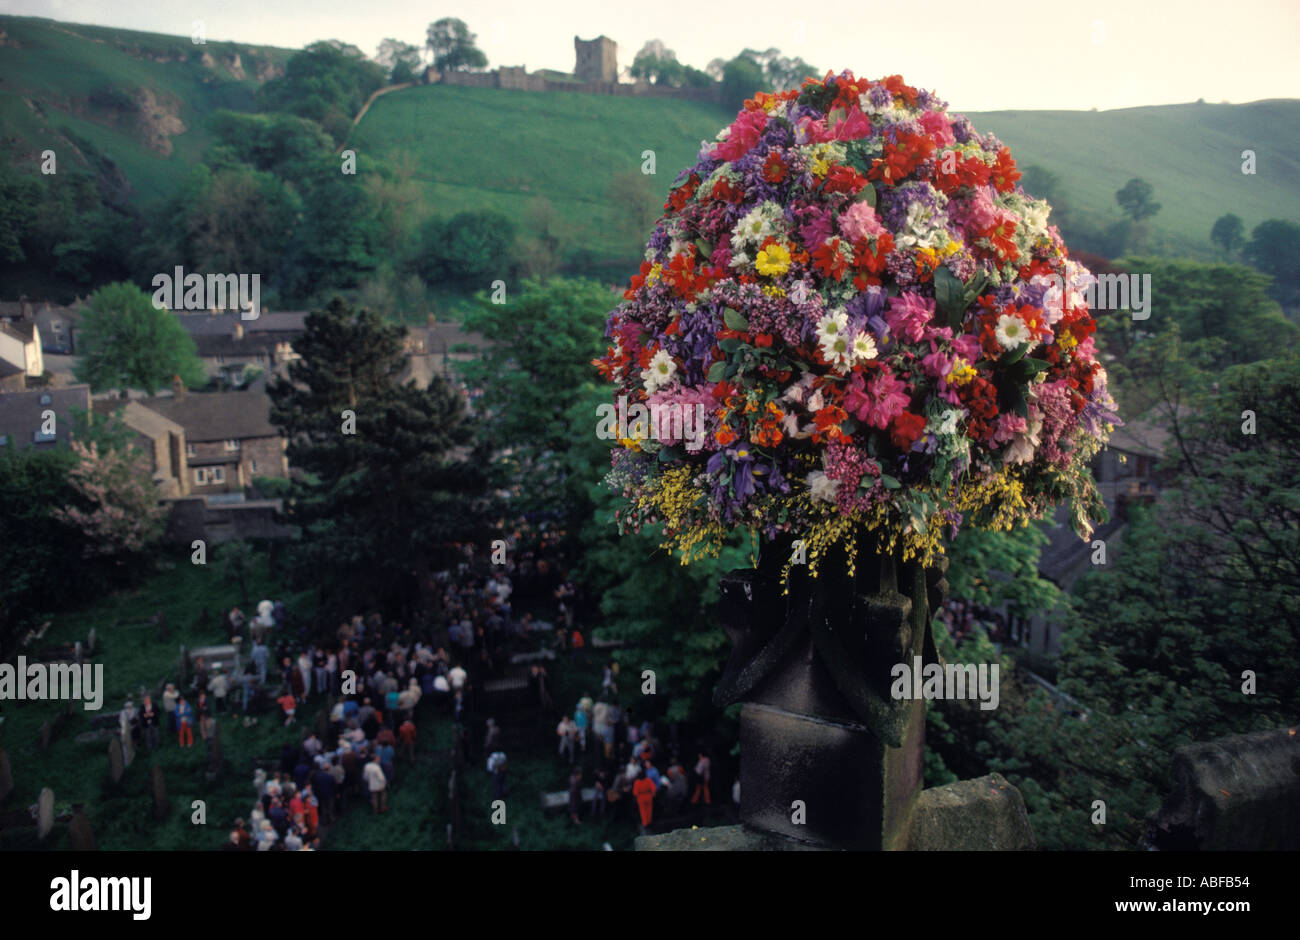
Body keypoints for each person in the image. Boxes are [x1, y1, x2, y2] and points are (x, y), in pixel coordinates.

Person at [633, 767, 657, 834]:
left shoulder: (637, 782)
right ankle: (649, 822)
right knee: (649, 809)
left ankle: (645, 823)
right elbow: (653, 788)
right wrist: (653, 793)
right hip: (648, 796)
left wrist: (636, 797)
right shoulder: (648, 780)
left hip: (640, 798)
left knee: (642, 811)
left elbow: (635, 792)